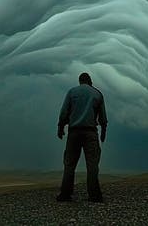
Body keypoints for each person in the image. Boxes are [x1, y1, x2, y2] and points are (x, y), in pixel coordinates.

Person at [56, 71, 108, 203]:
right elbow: (103, 118)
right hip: (90, 133)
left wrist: (60, 128)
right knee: (92, 165)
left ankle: (65, 194)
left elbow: (63, 113)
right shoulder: (97, 93)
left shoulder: (72, 92)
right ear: (90, 81)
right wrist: (103, 133)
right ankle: (94, 196)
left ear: (80, 81)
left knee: (69, 164)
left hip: (74, 132)